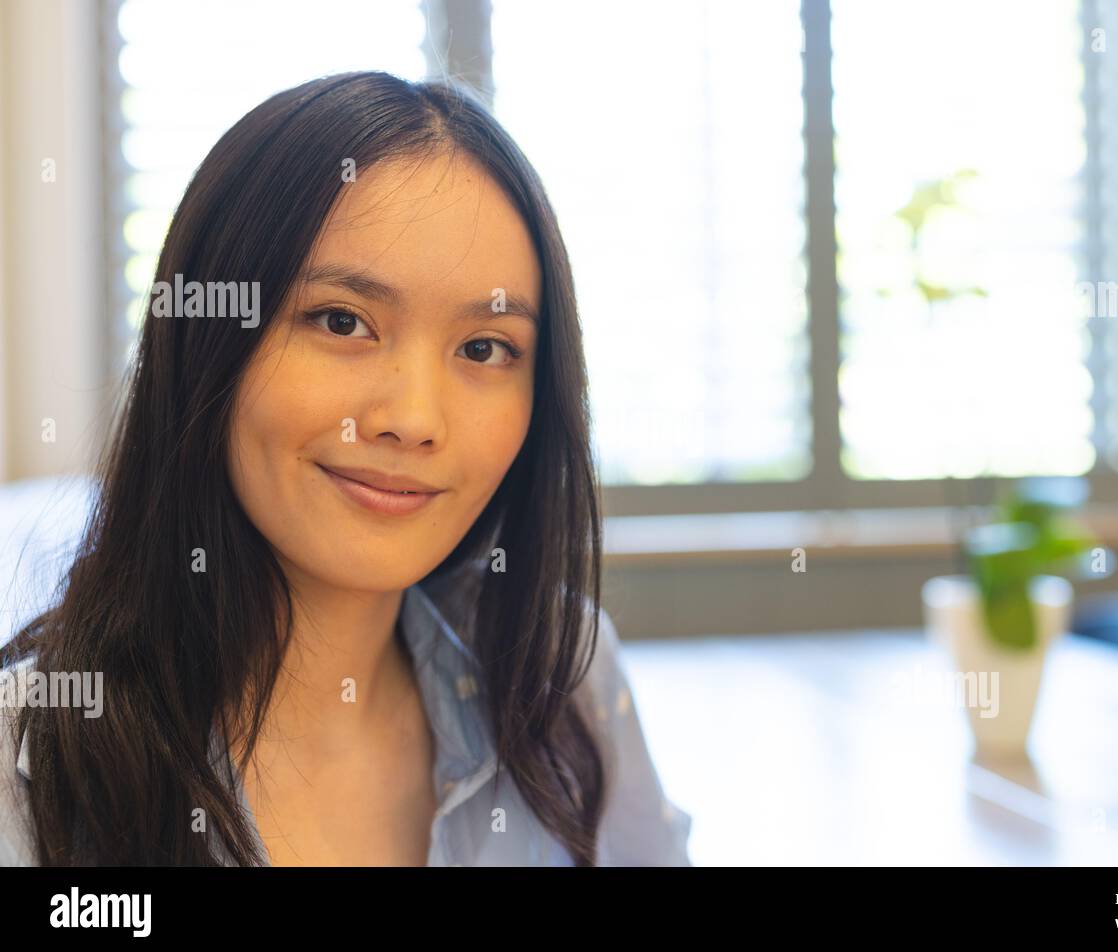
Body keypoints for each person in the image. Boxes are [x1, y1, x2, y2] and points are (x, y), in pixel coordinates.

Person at [0, 71, 691, 866]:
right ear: (206, 342)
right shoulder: (28, 770)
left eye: (484, 348)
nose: (414, 419)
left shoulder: (562, 679)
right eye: (343, 321)